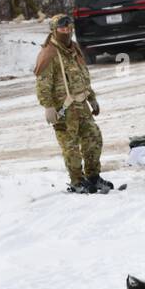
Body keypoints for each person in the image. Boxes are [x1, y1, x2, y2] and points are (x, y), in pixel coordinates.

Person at [35, 14, 113, 193]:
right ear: (54, 30)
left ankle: (93, 177)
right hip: (63, 110)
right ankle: (77, 181)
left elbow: (83, 76)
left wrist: (91, 98)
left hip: (81, 106)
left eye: (69, 28)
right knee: (71, 148)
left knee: (94, 138)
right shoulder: (49, 54)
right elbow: (42, 84)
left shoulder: (74, 49)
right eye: (62, 28)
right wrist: (48, 106)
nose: (67, 31)